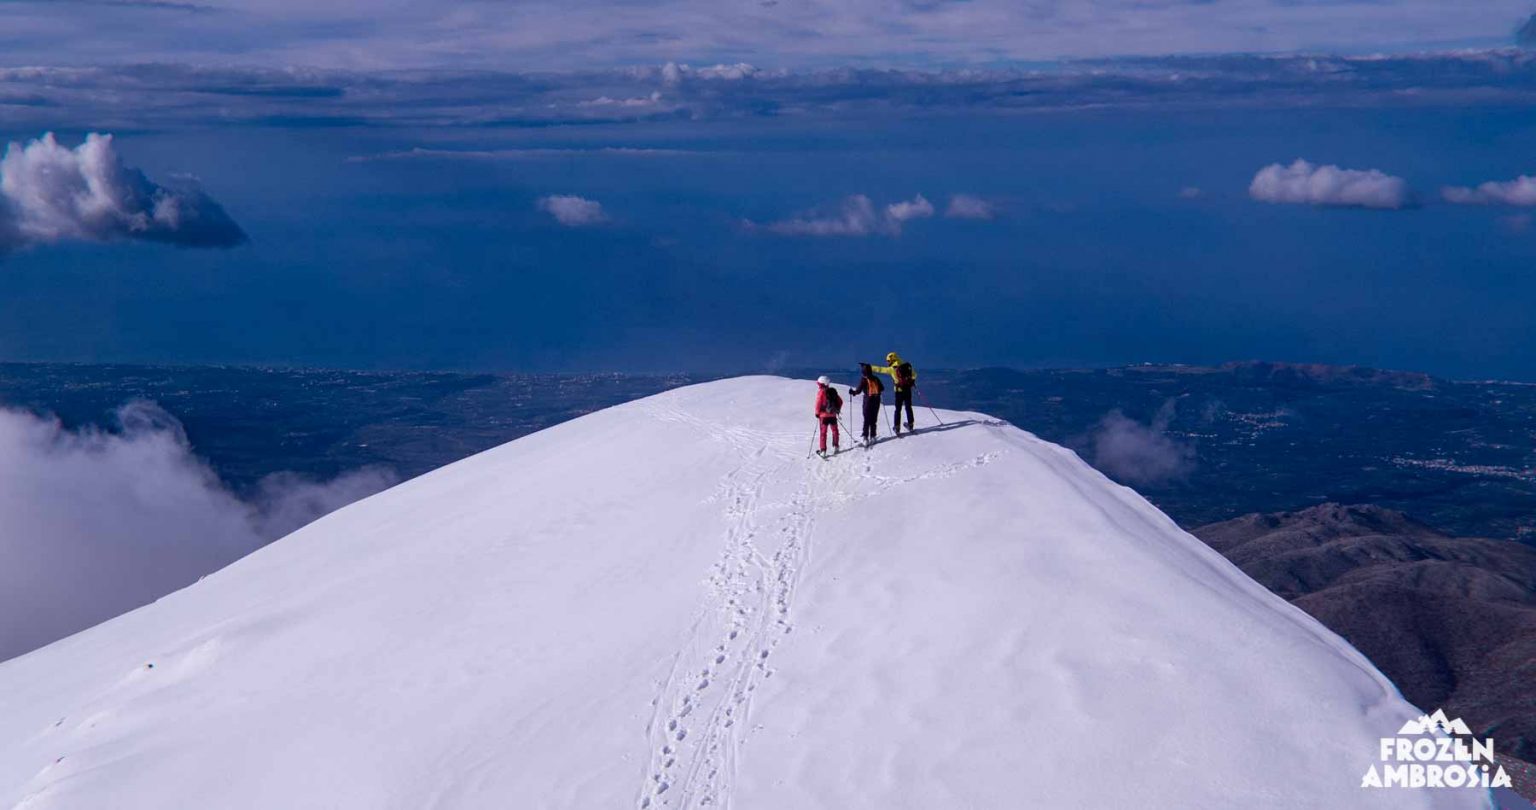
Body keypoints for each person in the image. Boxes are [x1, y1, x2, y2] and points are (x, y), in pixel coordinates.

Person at [870, 352, 917, 434]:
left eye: (888, 360)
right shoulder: (906, 366)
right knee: (908, 407)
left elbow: (880, 369)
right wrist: (910, 380)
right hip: (907, 390)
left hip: (898, 391)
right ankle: (910, 424)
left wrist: (869, 367)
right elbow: (915, 375)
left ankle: (897, 427)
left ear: (892, 359)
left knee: (898, 410)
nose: (887, 362)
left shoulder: (892, 369)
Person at [849, 363, 884, 445]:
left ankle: (865, 437)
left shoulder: (864, 379)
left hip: (868, 400)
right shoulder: (876, 378)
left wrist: (853, 392)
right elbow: (882, 388)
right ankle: (873, 436)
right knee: (874, 419)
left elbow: (858, 390)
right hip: (876, 400)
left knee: (866, 419)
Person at [813, 375, 843, 456]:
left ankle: (823, 451)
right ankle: (836, 447)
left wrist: (817, 413)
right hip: (832, 415)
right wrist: (837, 410)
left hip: (823, 416)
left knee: (823, 433)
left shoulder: (821, 392)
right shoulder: (832, 391)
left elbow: (818, 403)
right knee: (835, 431)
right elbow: (840, 401)